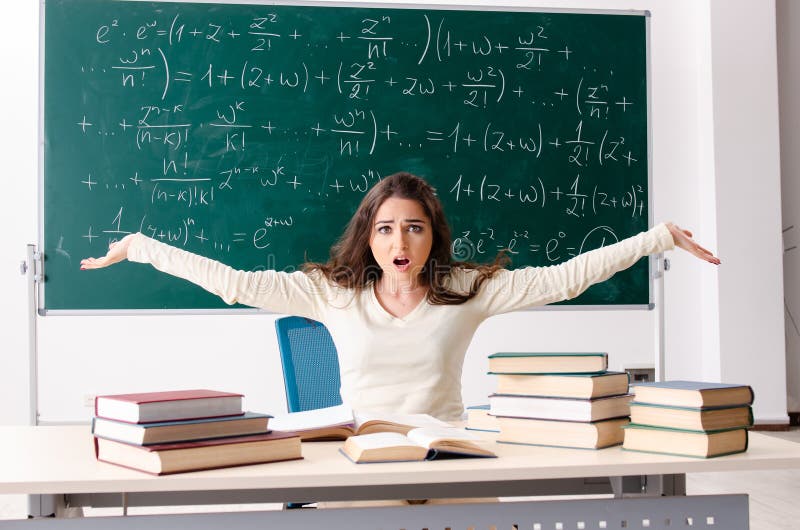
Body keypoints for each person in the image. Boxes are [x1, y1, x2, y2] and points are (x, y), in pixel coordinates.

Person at [81, 172, 719, 422]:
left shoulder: (466, 290)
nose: (400, 240)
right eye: (385, 228)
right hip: (361, 451)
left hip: (448, 450)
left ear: (433, 234)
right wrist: (142, 246)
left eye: (414, 226)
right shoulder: (332, 294)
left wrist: (654, 237)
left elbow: (562, 278)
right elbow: (238, 285)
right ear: (370, 236)